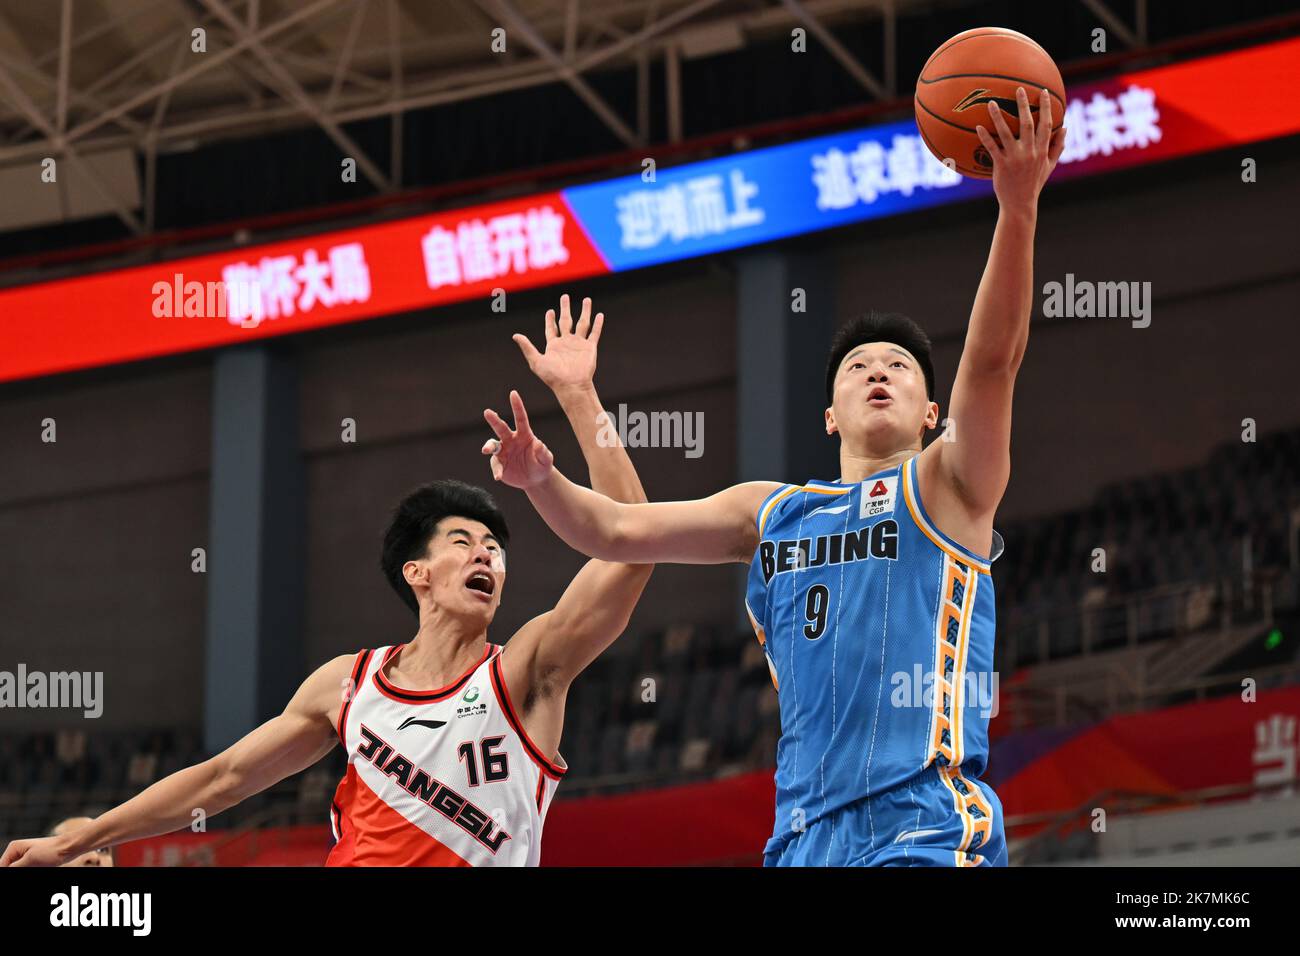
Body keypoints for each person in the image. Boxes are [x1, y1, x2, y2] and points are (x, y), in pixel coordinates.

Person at [481, 90, 1065, 866]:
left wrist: (1016, 207)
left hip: (921, 823)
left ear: (933, 413)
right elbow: (615, 532)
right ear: (829, 414)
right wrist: (545, 471)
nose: (879, 373)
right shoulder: (770, 511)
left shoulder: (952, 487)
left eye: (901, 368)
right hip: (801, 838)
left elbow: (993, 363)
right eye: (860, 366)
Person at [2, 295, 651, 868]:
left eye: (493, 547)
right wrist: (76, 840)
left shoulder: (525, 674)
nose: (486, 555)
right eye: (463, 541)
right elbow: (222, 780)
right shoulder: (348, 685)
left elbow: (631, 550)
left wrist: (578, 397)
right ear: (416, 573)